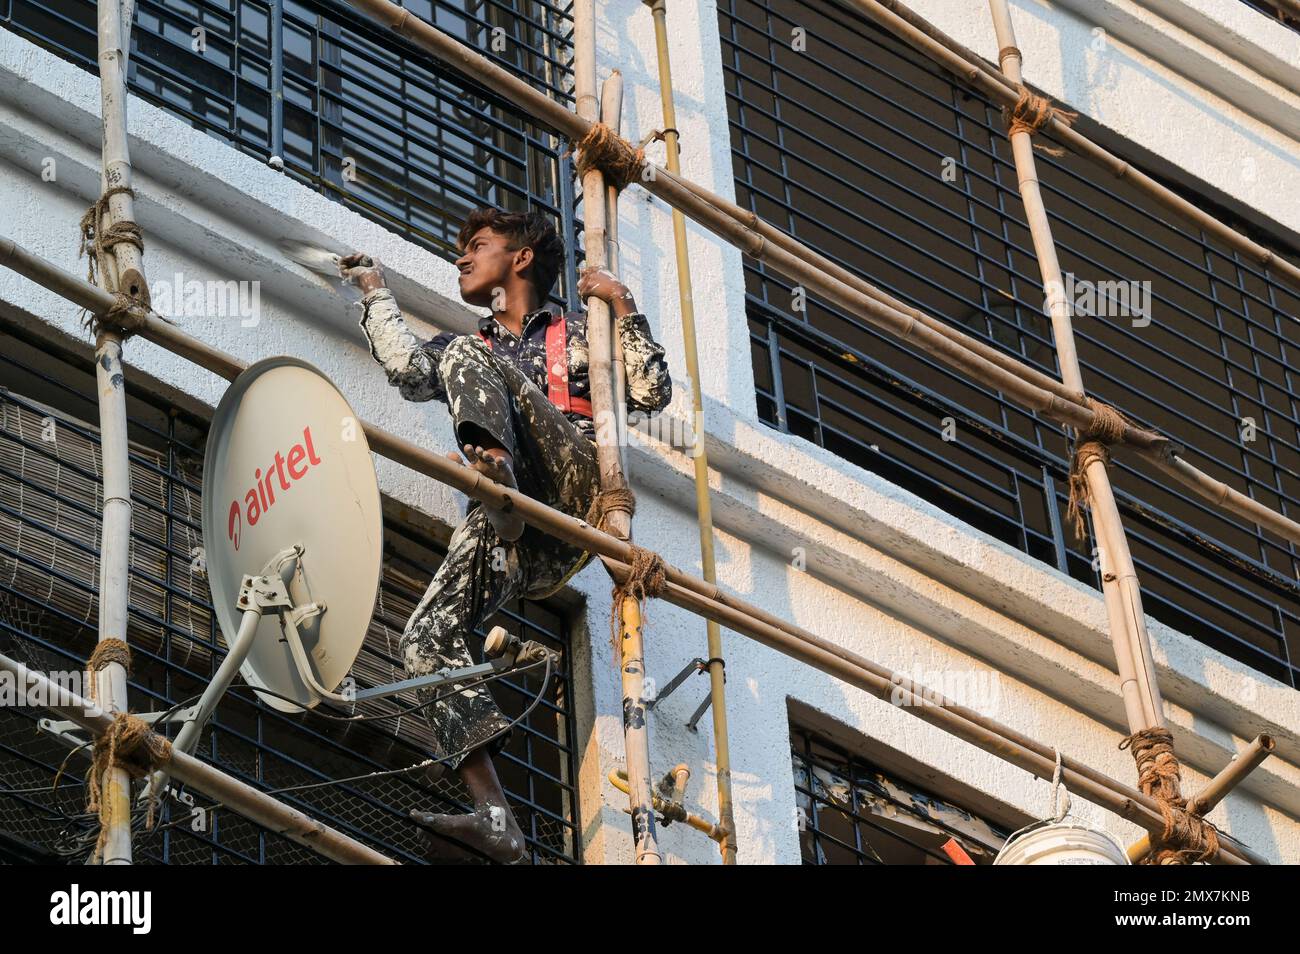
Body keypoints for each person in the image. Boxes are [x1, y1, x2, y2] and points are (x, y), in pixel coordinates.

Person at [339, 207, 671, 862]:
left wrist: (625, 307)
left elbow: (651, 390)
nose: (462, 258)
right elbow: (409, 372)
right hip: (515, 532)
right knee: (424, 638)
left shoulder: (579, 333)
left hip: (577, 495)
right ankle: (495, 814)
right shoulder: (473, 352)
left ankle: (499, 476)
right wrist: (375, 293)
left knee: (466, 352)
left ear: (521, 259)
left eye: (479, 247)